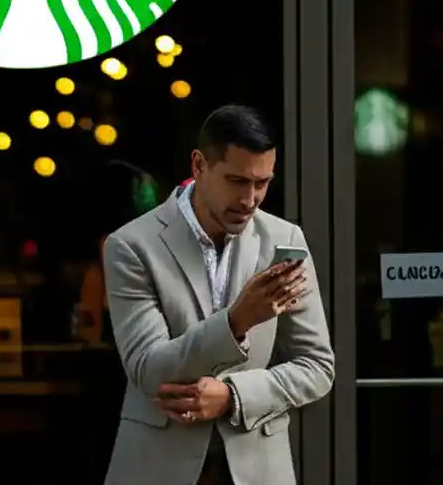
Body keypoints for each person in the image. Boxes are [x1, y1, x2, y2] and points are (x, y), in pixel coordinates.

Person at [101, 105, 334, 485]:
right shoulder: (131, 246)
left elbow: (317, 367)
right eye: (237, 181)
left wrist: (232, 396)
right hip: (158, 467)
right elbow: (150, 371)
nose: (250, 199)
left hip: (258, 468)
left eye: (262, 183)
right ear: (199, 165)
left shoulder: (285, 240)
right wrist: (237, 320)